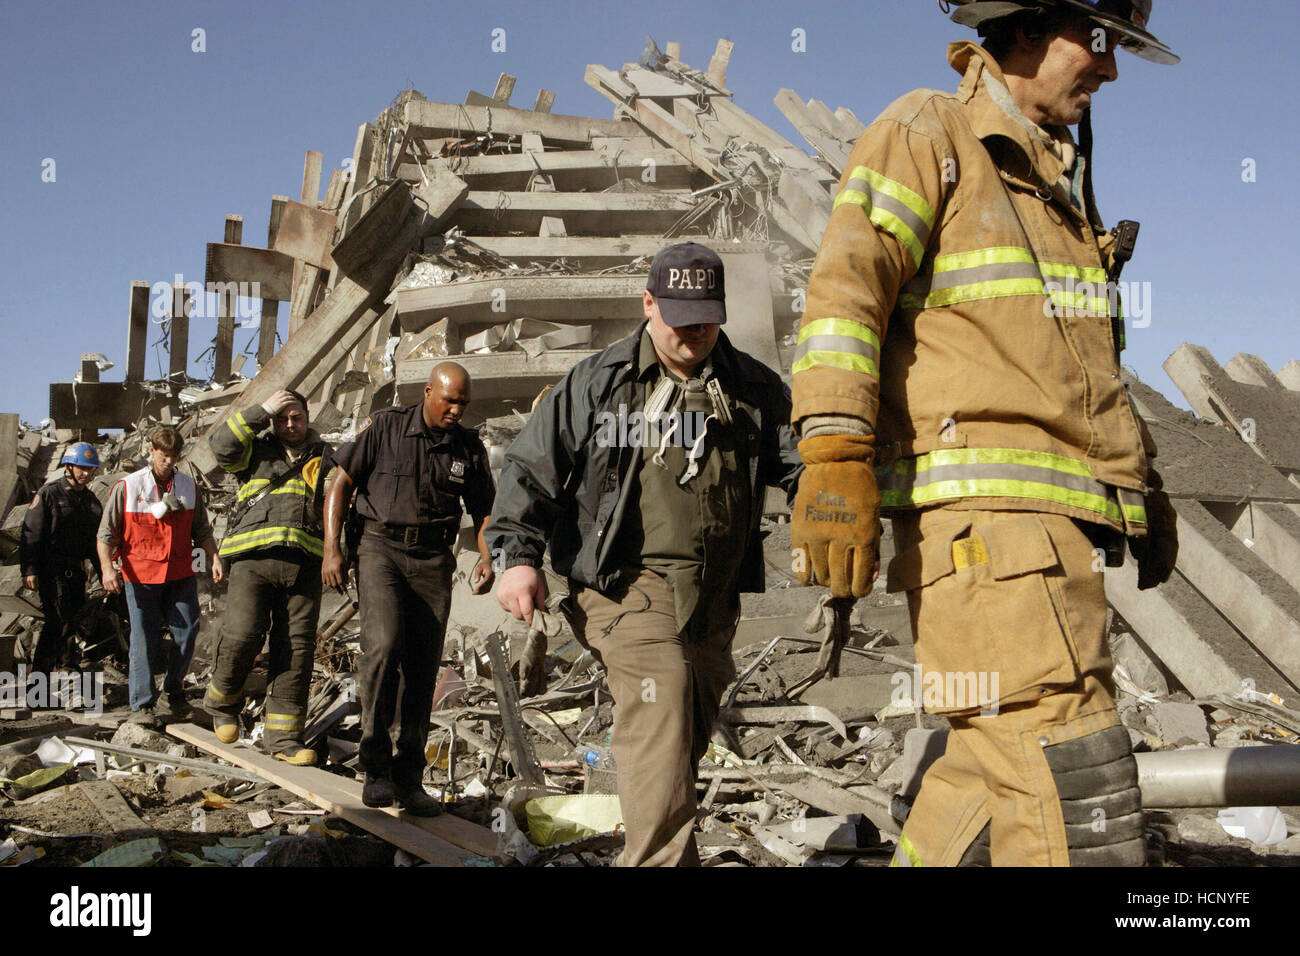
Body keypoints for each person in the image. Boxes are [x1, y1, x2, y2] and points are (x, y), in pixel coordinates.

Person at [788, 0, 1179, 866]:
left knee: (985, 763)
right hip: (992, 533)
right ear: (1031, 25)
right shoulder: (929, 130)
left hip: (1035, 534)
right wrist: (836, 449)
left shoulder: (1052, 181)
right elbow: (846, 288)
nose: (1110, 71)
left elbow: (1076, 364)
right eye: (1101, 42)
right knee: (1071, 773)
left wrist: (1138, 482)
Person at [490, 242, 802, 866]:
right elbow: (529, 471)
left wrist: (834, 506)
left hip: (713, 595)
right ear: (648, 303)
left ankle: (649, 835)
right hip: (625, 587)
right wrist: (515, 555)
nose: (695, 332)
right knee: (663, 707)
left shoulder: (753, 388)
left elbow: (800, 464)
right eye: (680, 317)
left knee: (682, 732)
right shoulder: (598, 384)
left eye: (707, 317)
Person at [322, 363, 495, 815]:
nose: (456, 410)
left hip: (434, 560)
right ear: (428, 393)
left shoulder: (469, 448)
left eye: (463, 403)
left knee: (422, 666)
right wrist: (332, 550)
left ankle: (409, 777)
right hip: (380, 550)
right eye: (449, 400)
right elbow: (340, 483)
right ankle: (375, 767)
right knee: (382, 648)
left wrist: (488, 555)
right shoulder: (386, 427)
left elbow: (483, 512)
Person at [203, 389, 331, 764]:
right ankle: (222, 701)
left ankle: (285, 739)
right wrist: (262, 410)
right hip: (253, 559)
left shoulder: (326, 456)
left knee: (296, 650)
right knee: (242, 633)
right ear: (275, 420)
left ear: (308, 418)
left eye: (297, 417)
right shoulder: (254, 450)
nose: (290, 424)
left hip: (305, 563)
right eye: (283, 418)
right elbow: (221, 445)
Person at [98, 425, 223, 726]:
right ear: (151, 451)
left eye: (174, 456)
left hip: (179, 572)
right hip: (139, 575)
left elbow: (202, 530)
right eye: (163, 455)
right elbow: (106, 535)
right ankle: (142, 703)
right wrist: (106, 569)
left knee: (189, 628)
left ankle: (173, 689)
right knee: (144, 637)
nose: (168, 461)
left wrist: (214, 557)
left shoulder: (188, 487)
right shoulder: (128, 487)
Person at [20, 442, 104, 677]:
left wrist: (105, 573)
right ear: (68, 466)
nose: (86, 474)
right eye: (81, 468)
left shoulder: (91, 502)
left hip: (76, 573)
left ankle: (66, 672)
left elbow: (96, 544)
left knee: (72, 622)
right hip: (51, 571)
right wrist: (29, 570)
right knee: (56, 623)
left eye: (90, 469)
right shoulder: (49, 494)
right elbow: (31, 534)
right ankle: (41, 684)